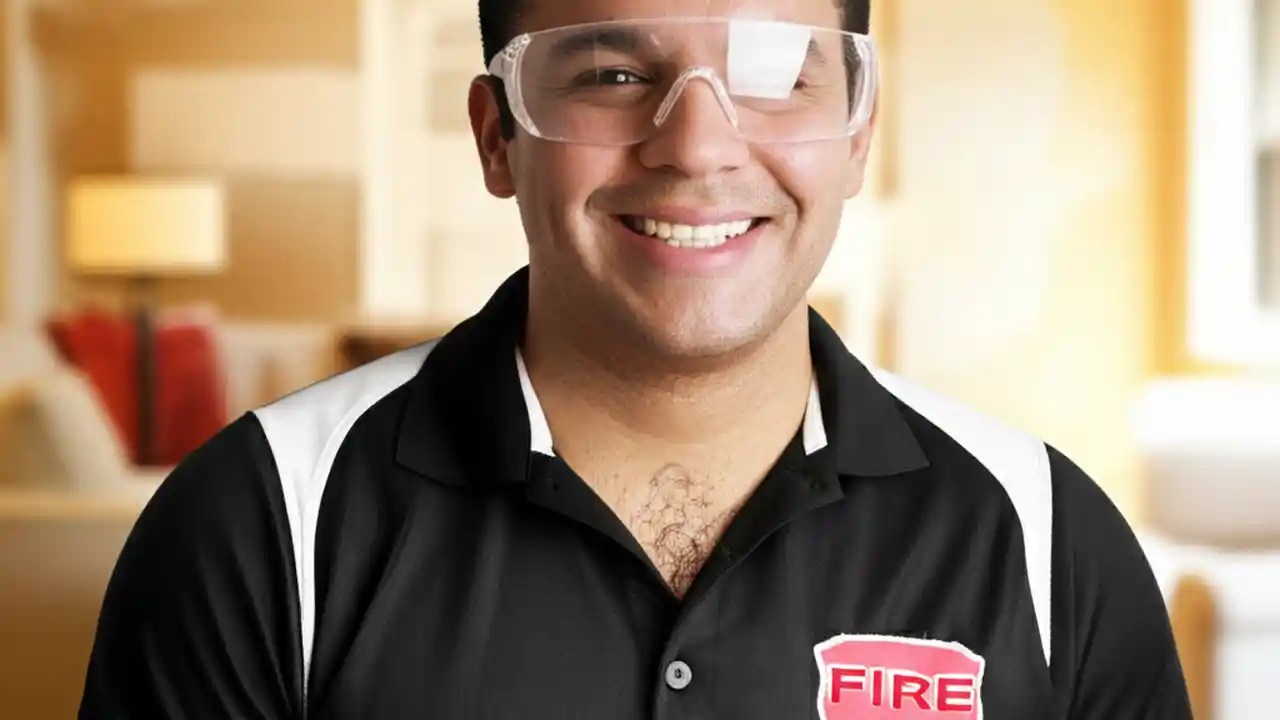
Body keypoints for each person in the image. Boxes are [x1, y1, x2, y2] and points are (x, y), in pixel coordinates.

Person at [79, 0, 1193, 717]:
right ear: (495, 137)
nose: (698, 144)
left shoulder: (1049, 541)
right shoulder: (258, 525)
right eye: (612, 75)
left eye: (771, 74)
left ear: (856, 132)